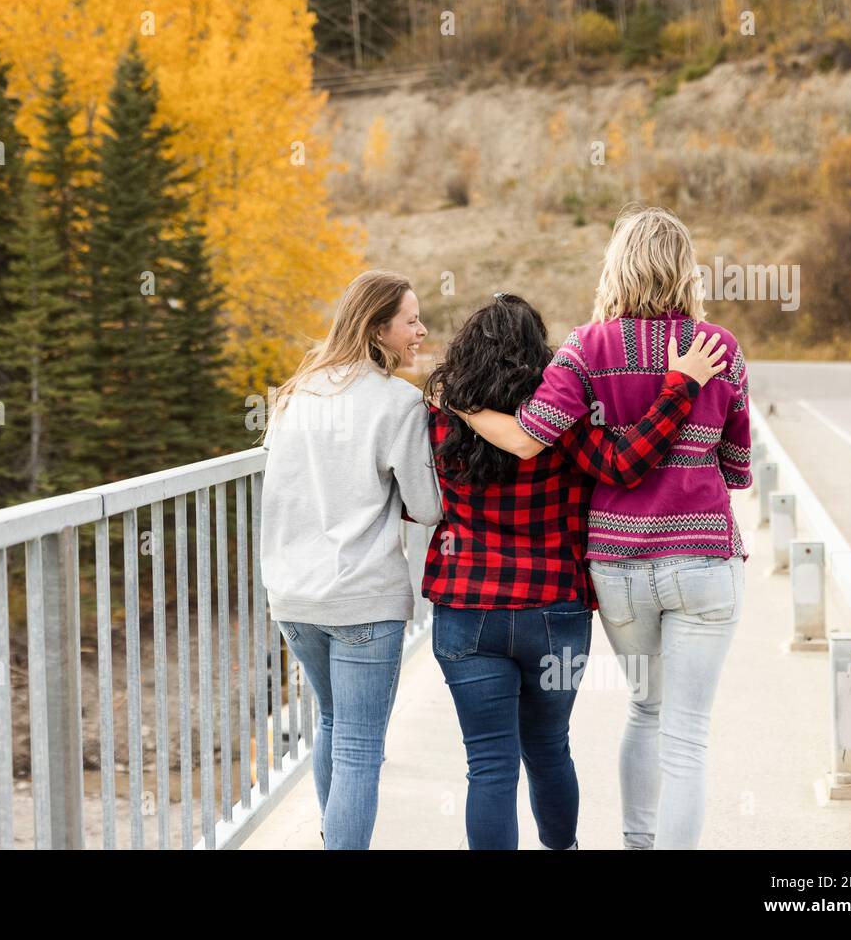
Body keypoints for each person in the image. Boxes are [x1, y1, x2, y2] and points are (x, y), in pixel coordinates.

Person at [462, 205, 751, 849]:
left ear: (616, 266)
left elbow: (533, 435)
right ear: (685, 268)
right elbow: (736, 467)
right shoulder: (719, 348)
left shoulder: (584, 348)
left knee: (645, 709)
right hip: (703, 557)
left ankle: (635, 842)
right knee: (687, 731)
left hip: (617, 564)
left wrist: (461, 401)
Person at [260, 269, 442, 850]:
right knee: (360, 748)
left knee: (332, 726)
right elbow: (428, 506)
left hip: (294, 595)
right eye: (410, 320)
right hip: (363, 597)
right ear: (378, 326)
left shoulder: (296, 393)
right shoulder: (398, 402)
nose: (421, 330)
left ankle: (329, 835)